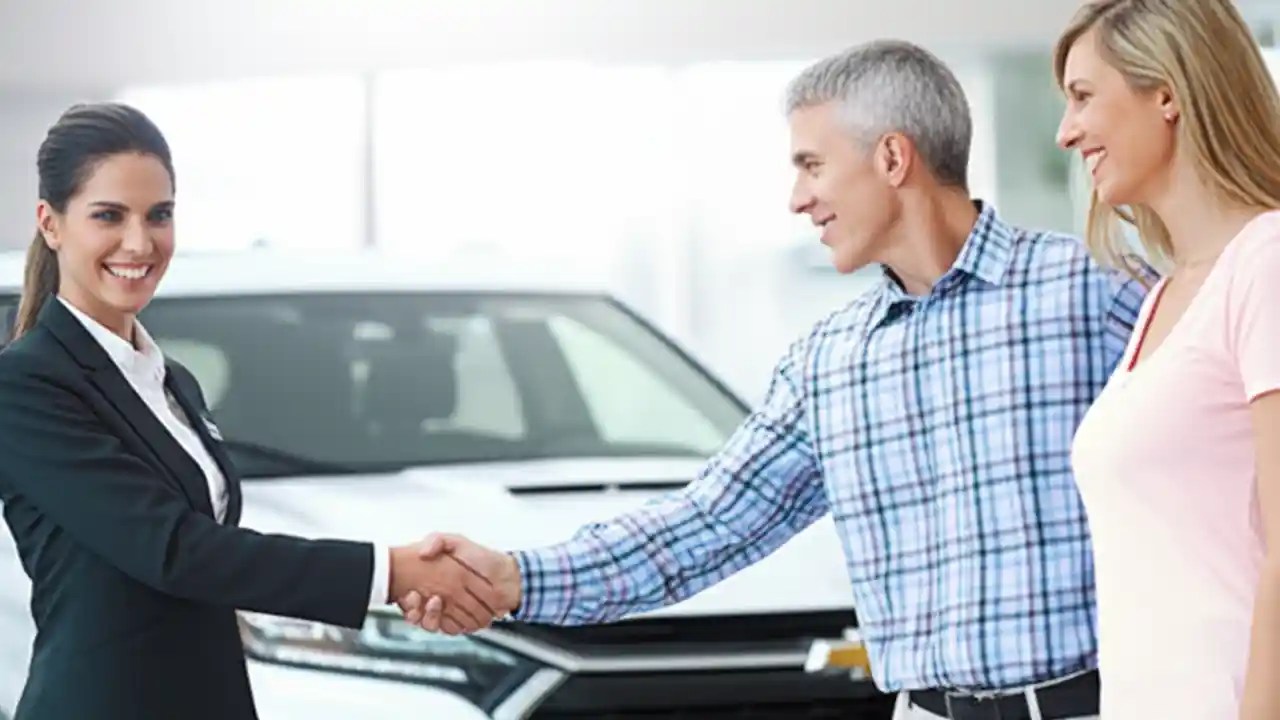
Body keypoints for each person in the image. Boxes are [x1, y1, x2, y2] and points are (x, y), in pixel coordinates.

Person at [402, 40, 1154, 719]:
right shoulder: (829, 361)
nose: (798, 199)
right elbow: (707, 524)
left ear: (893, 158)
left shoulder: (1096, 292)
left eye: (811, 165)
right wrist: (516, 579)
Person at [0, 102, 511, 720]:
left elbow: (215, 558)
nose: (140, 242)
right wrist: (391, 572)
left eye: (159, 215)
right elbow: (174, 550)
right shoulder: (25, 384)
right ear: (51, 224)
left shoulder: (171, 382)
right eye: (109, 216)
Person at [1055, 1, 1280, 718]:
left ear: (1168, 92)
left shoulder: (1266, 262)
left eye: (1083, 96)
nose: (1065, 132)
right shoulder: (1164, 296)